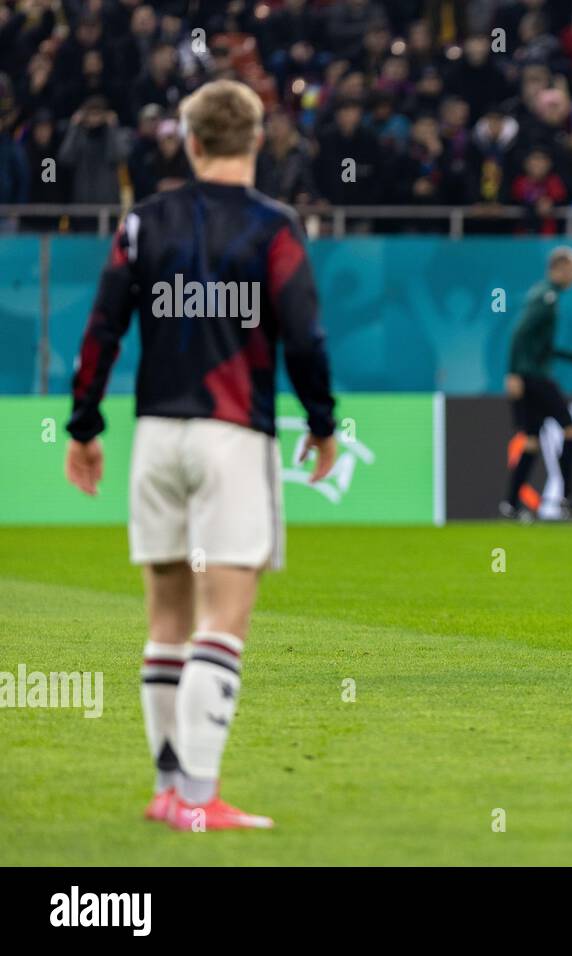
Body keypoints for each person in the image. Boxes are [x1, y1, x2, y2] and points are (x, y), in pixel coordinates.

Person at [63, 79, 338, 830]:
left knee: (166, 620)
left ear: (189, 140)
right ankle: (197, 798)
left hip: (155, 435)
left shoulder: (142, 223)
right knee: (224, 620)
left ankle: (166, 789)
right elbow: (306, 335)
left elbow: (102, 328)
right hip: (231, 435)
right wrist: (322, 421)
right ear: (256, 140)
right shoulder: (273, 227)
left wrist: (83, 427)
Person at [501, 246, 572, 521]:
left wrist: (570, 355)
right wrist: (514, 372)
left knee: (530, 441)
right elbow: (519, 333)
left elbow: (538, 342)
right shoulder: (547, 297)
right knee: (571, 430)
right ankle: (568, 498)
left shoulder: (544, 294)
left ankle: (510, 505)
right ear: (561, 268)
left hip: (530, 373)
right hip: (533, 376)